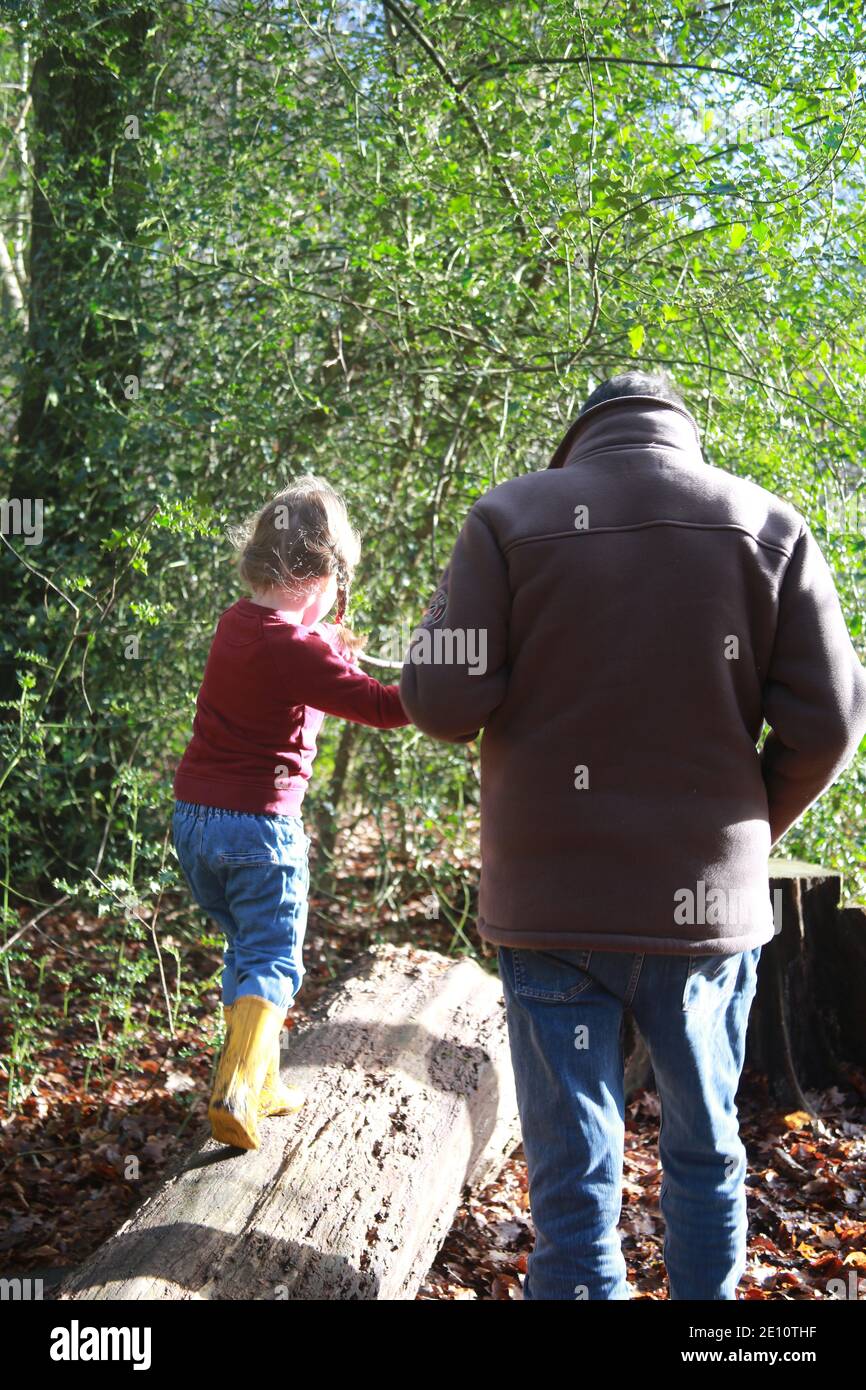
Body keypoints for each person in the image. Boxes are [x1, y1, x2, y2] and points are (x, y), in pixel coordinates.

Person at [399, 370, 866, 1299]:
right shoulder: (767, 526)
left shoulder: (509, 518)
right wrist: (750, 834)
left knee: (572, 1179)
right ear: (683, 436)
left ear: (580, 440)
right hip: (703, 915)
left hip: (549, 908)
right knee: (705, 1149)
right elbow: (834, 719)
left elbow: (442, 699)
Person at [173, 476, 409, 1151]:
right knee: (272, 955)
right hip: (259, 829)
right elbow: (384, 709)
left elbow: (281, 671)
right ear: (322, 573)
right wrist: (441, 681)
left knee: (246, 951)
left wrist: (326, 650)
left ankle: (261, 1079)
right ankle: (239, 1087)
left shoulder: (236, 623)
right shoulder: (295, 649)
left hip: (194, 824)